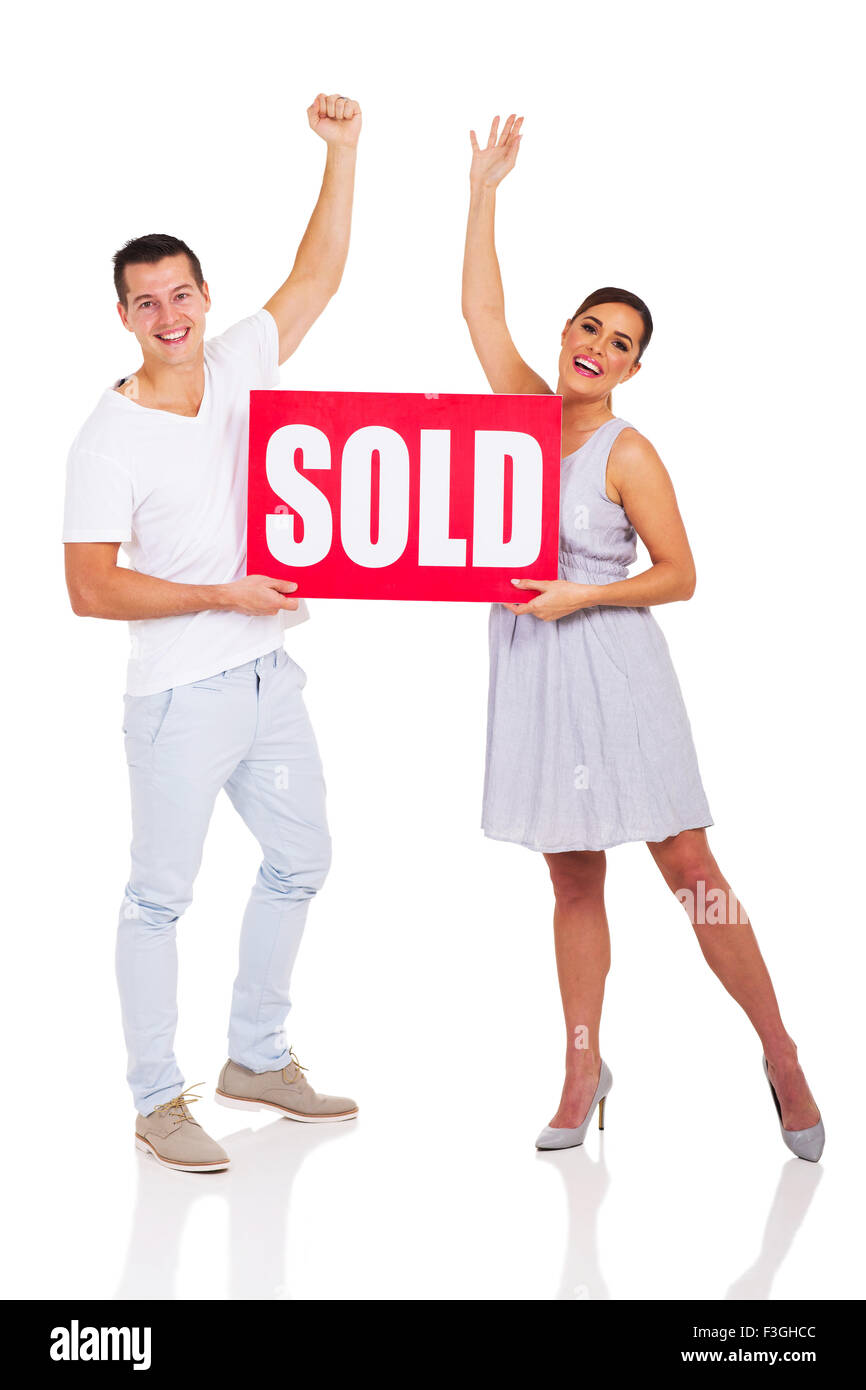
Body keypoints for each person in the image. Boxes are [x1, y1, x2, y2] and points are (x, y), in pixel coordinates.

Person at [461, 113, 824, 1160]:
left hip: (611, 667)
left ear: (630, 368)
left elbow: (681, 574)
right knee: (571, 877)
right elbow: (480, 309)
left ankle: (779, 1049)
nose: (594, 345)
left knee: (689, 867)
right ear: (566, 332)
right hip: (531, 670)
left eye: (618, 342)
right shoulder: (522, 410)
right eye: (587, 325)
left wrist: (576, 598)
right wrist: (484, 188)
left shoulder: (626, 450)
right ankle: (583, 1064)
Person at [62, 93, 362, 1174]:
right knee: (158, 895)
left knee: (300, 860)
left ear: (202, 297)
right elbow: (90, 590)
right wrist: (221, 594)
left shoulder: (239, 362)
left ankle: (256, 1056)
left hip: (269, 683)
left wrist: (341, 152)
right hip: (180, 702)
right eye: (147, 302)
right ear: (126, 318)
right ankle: (157, 1100)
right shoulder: (107, 440)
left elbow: (319, 274)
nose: (169, 313)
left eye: (181, 292)